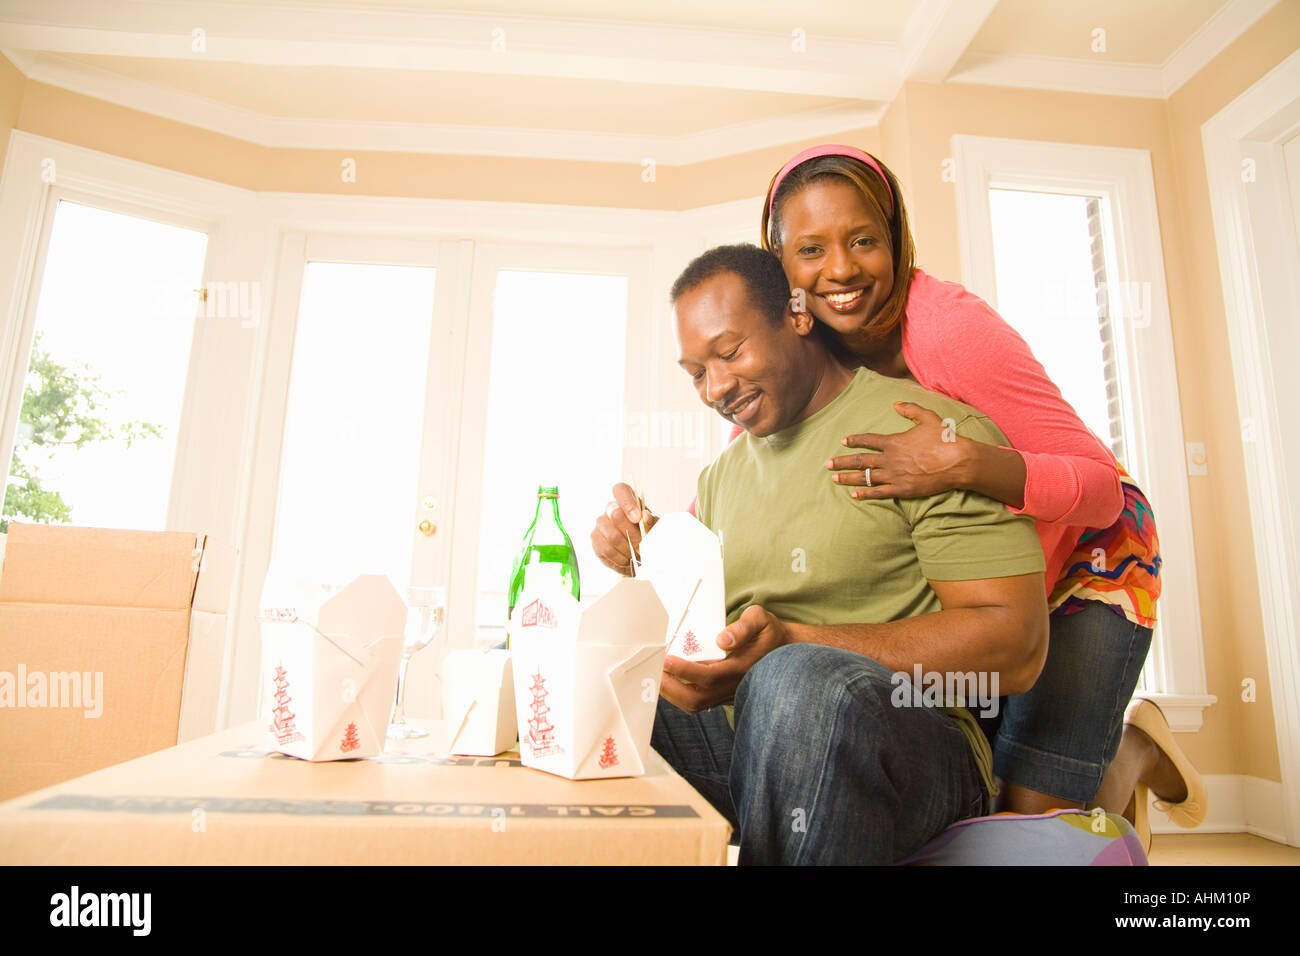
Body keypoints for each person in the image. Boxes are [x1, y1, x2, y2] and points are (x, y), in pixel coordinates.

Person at [753, 143, 1201, 847]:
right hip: (994, 570)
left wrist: (963, 463)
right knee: (972, 808)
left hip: (1090, 556)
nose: (840, 269)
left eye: (864, 240)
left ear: (897, 241)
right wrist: (658, 535)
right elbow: (758, 467)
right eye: (811, 249)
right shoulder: (811, 344)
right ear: (779, 264)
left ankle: (1129, 750)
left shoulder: (951, 330)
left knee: (1025, 825)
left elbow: (1099, 490)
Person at [590, 243, 1049, 864]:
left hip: (915, 752)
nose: (717, 387)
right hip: (752, 743)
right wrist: (651, 557)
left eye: (730, 352)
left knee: (794, 681)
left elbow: (1015, 645)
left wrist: (795, 643)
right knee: (571, 664)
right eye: (697, 372)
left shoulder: (926, 432)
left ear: (798, 317)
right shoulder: (721, 477)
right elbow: (719, 634)